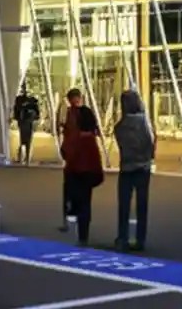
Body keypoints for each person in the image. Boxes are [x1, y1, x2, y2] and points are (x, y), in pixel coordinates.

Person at [114, 90, 156, 251]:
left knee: (124, 204)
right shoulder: (144, 121)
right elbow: (151, 140)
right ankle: (140, 239)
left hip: (126, 166)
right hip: (143, 166)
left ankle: (122, 237)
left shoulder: (121, 125)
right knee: (142, 204)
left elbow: (119, 138)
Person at [62, 104, 104, 246]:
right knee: (85, 204)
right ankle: (83, 235)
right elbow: (96, 159)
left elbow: (67, 153)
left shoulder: (76, 138)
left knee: (75, 204)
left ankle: (76, 233)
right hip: (88, 175)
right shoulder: (91, 139)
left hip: (75, 174)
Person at [57, 88, 85, 232]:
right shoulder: (86, 115)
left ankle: (68, 222)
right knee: (82, 193)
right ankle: (81, 224)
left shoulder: (70, 114)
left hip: (72, 161)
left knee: (69, 192)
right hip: (82, 161)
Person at [12, 86, 40, 165]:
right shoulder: (28, 101)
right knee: (25, 141)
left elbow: (17, 111)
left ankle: (24, 158)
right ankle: (25, 158)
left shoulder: (24, 101)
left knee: (25, 141)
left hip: (26, 122)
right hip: (26, 122)